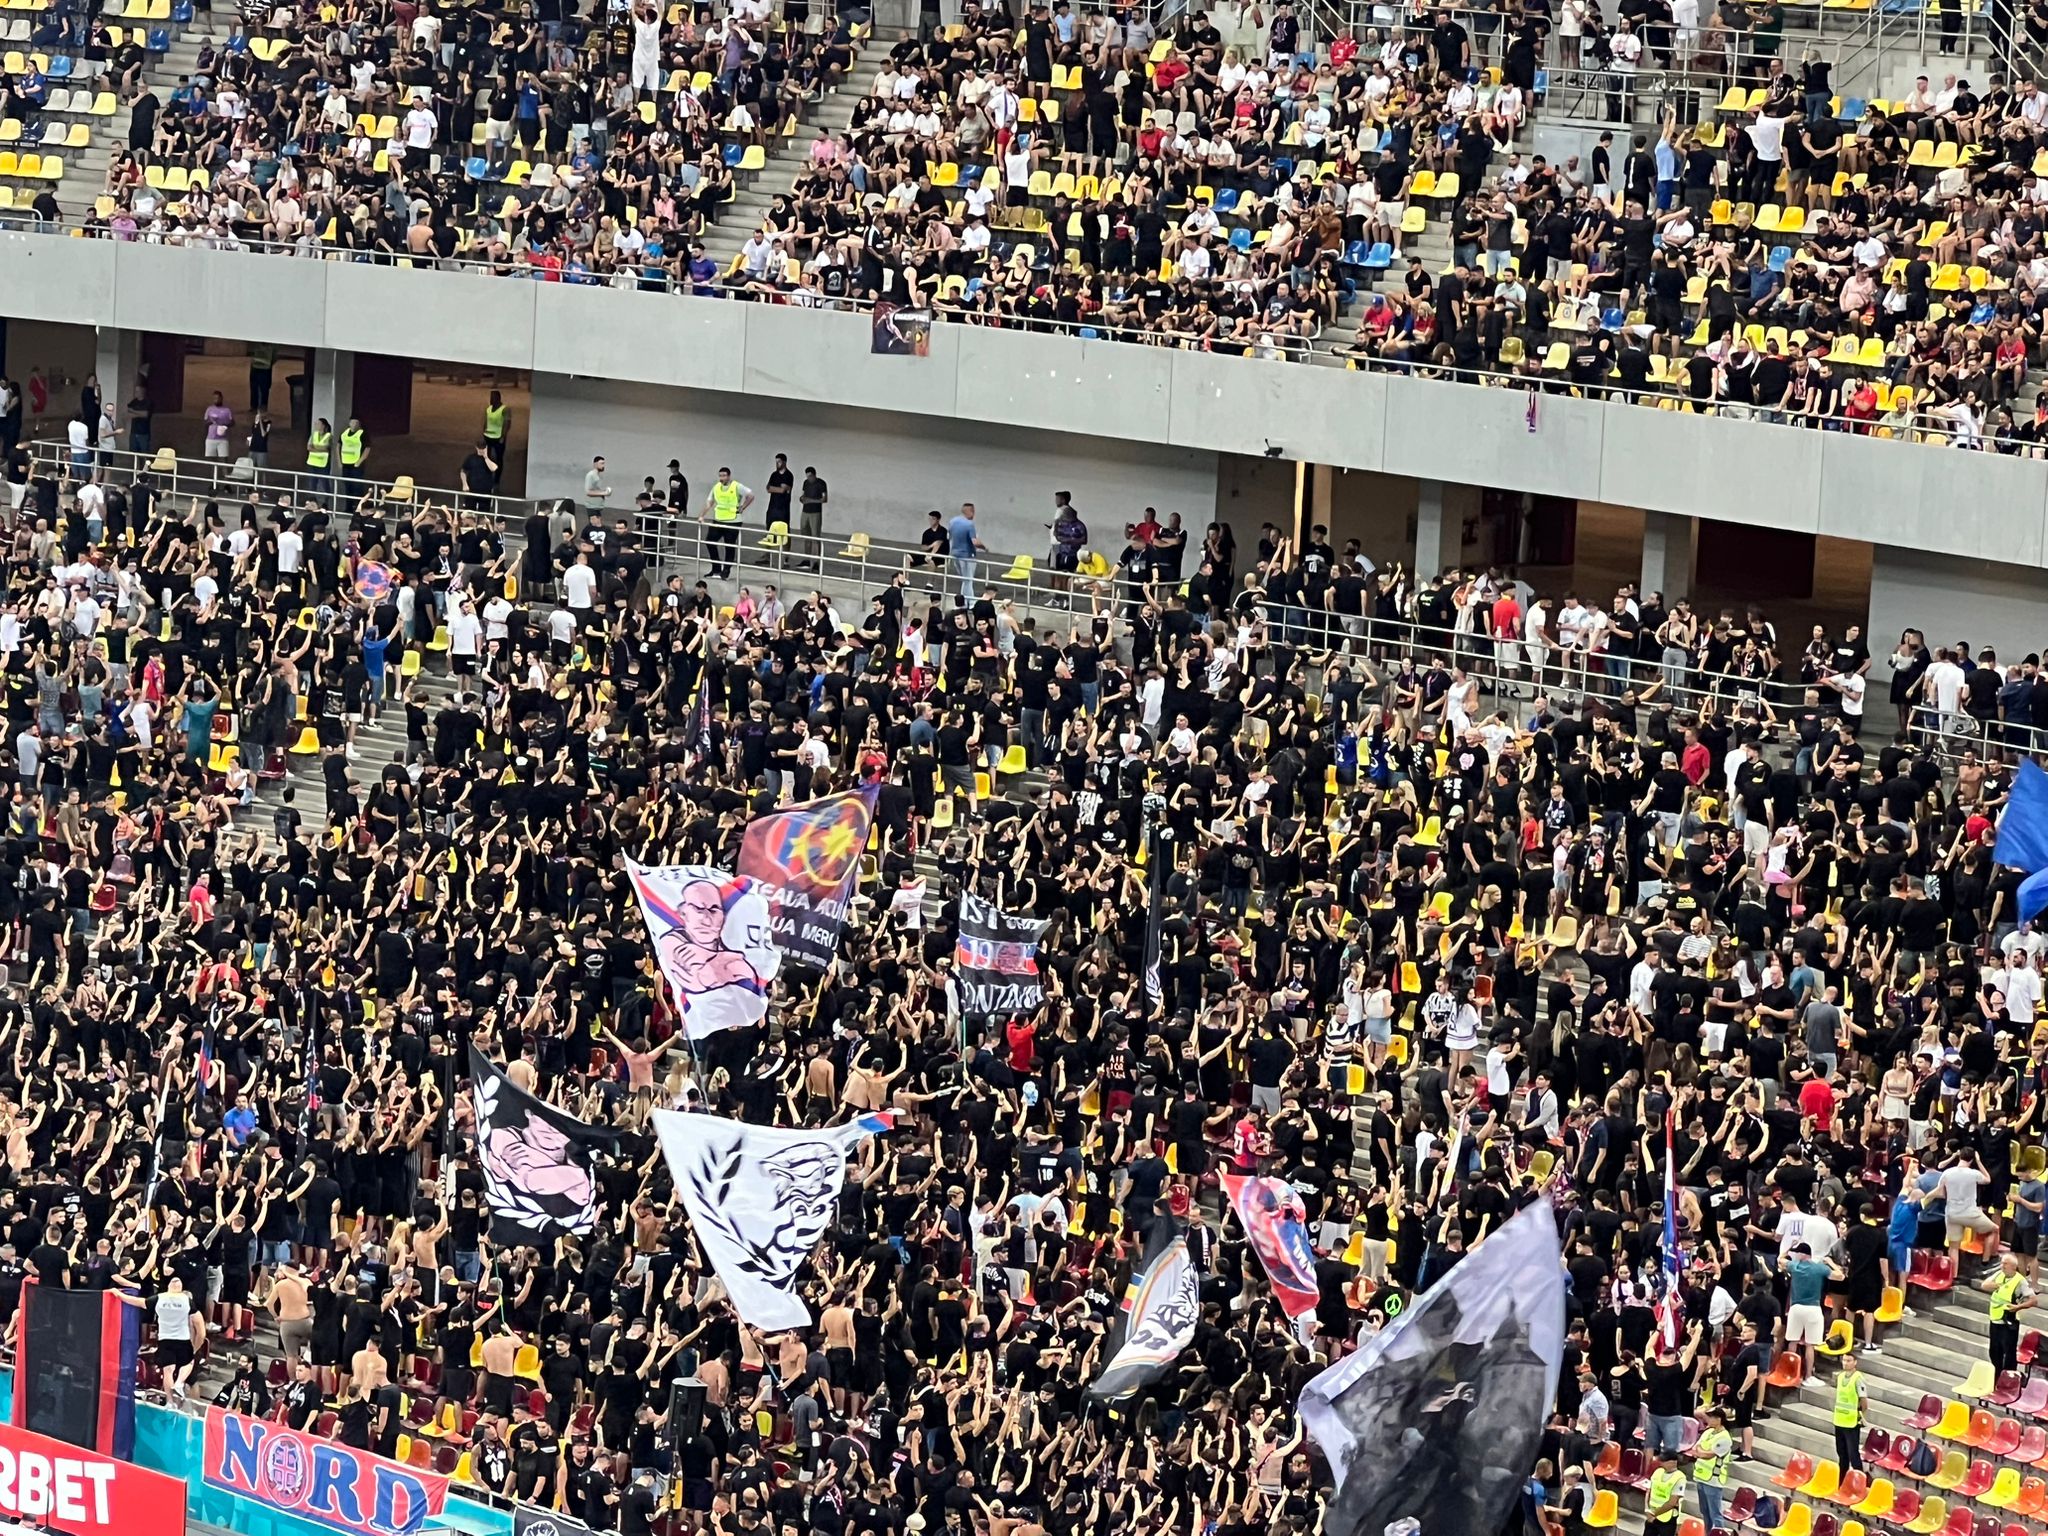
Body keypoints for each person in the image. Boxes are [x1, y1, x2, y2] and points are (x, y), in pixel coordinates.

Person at [1981, 1252, 2037, 1375]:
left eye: (2005, 1264)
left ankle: (2008, 1380)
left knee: (2009, 1354)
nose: (2002, 1266)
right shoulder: (1999, 1274)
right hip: (1995, 1320)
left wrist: (2018, 1307)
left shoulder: (2020, 1281)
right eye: (2001, 1263)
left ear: (2013, 1266)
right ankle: (1996, 1378)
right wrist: (1996, 1285)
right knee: (1994, 1352)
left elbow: (2033, 1300)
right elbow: (1984, 1285)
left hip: (2009, 1323)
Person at [1832, 1348, 1868, 1471]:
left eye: (1848, 1360)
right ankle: (1842, 1481)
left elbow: (1863, 1401)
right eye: (1844, 1360)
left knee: (1853, 1454)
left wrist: (1860, 1414)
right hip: (1839, 1420)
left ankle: (1860, 1480)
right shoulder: (1840, 1377)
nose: (1845, 1363)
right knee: (1842, 1454)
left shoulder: (1858, 1378)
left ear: (1855, 1362)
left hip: (1851, 1422)